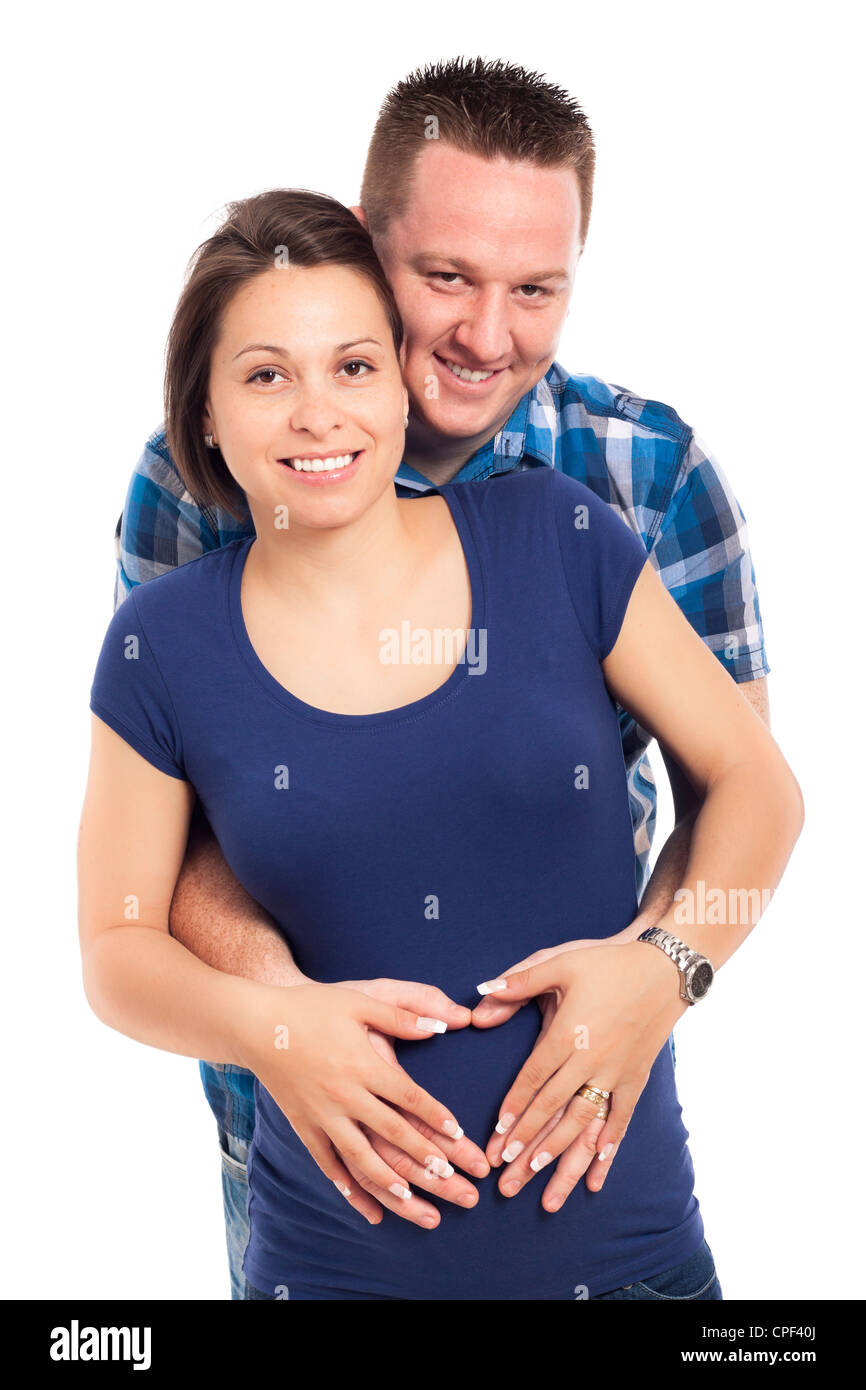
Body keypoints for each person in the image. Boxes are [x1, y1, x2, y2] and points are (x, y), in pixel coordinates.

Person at [112, 59, 777, 1299]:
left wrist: (661, 970)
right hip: (311, 1164)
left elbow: (742, 794)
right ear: (370, 244)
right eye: (445, 279)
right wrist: (294, 1026)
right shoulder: (204, 477)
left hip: (589, 1181)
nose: (487, 335)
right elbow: (163, 841)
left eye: (534, 289)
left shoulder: (635, 476)